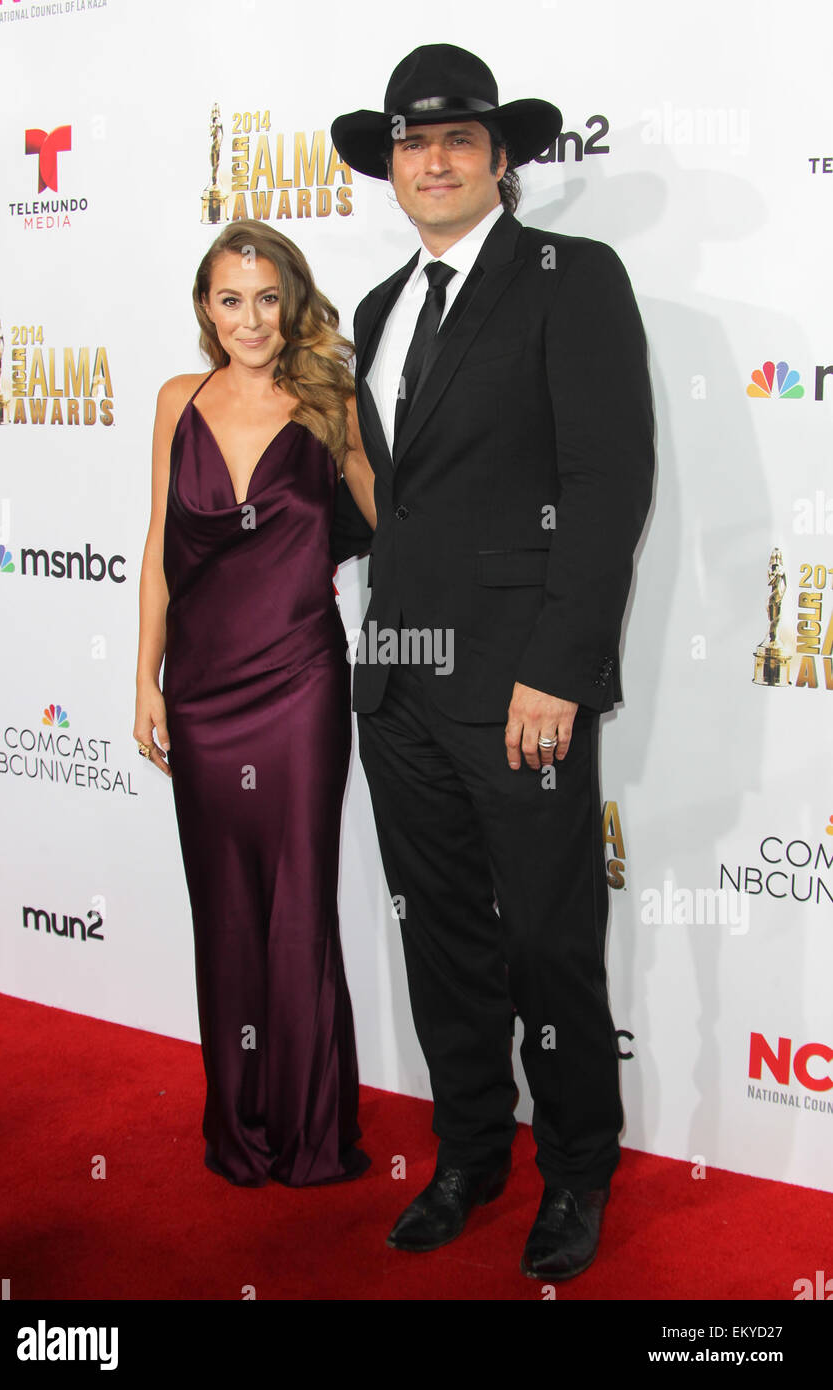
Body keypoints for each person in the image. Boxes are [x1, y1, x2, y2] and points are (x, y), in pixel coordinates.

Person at [331, 44, 655, 1278]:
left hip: (517, 681)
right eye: (413, 143)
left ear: (501, 158)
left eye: (459, 137)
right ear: (392, 168)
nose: (434, 158)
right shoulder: (374, 308)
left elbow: (605, 477)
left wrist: (559, 669)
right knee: (440, 935)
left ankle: (575, 1168)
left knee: (546, 940)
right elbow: (388, 510)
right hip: (398, 674)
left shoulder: (569, 278)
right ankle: (469, 1148)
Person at [133, 220, 375, 1188]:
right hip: (198, 691)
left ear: (293, 300)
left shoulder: (328, 404)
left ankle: (313, 1135)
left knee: (297, 907)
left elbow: (395, 522)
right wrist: (141, 679)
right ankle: (240, 1129)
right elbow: (156, 549)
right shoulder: (174, 402)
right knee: (224, 910)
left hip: (300, 683)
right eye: (229, 299)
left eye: (267, 297)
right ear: (205, 307)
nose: (250, 318)